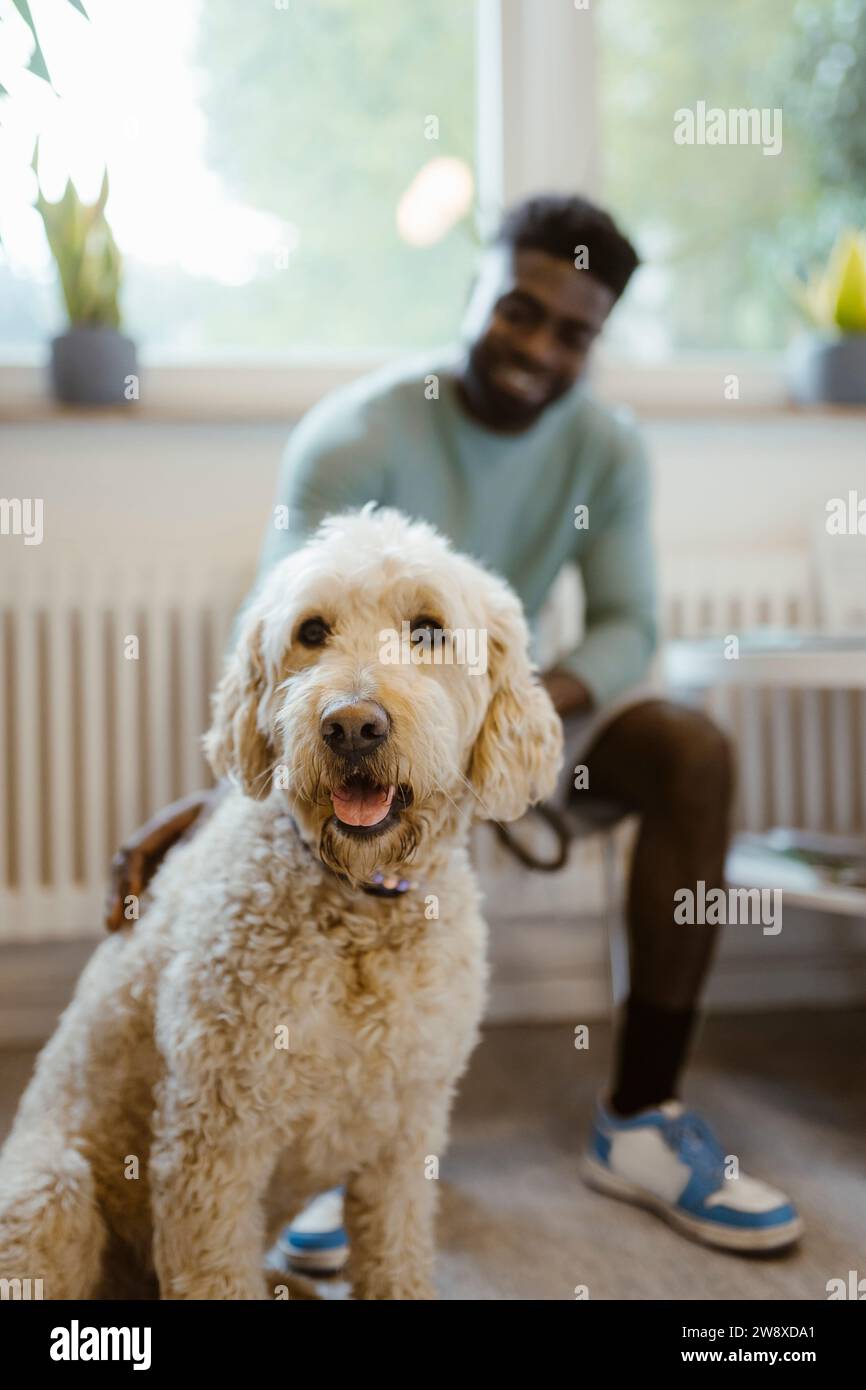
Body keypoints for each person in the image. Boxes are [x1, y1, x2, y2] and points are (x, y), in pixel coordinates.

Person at [107, 195, 802, 1269]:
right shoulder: (358, 430)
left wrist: (498, 711)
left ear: (594, 345)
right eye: (517, 310)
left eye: (571, 332)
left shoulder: (606, 450)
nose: (535, 347)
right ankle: (319, 1148)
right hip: (356, 733)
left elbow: (630, 625)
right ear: (473, 293)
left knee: (689, 749)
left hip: (513, 713)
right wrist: (218, 805)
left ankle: (641, 1119)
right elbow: (285, 644)